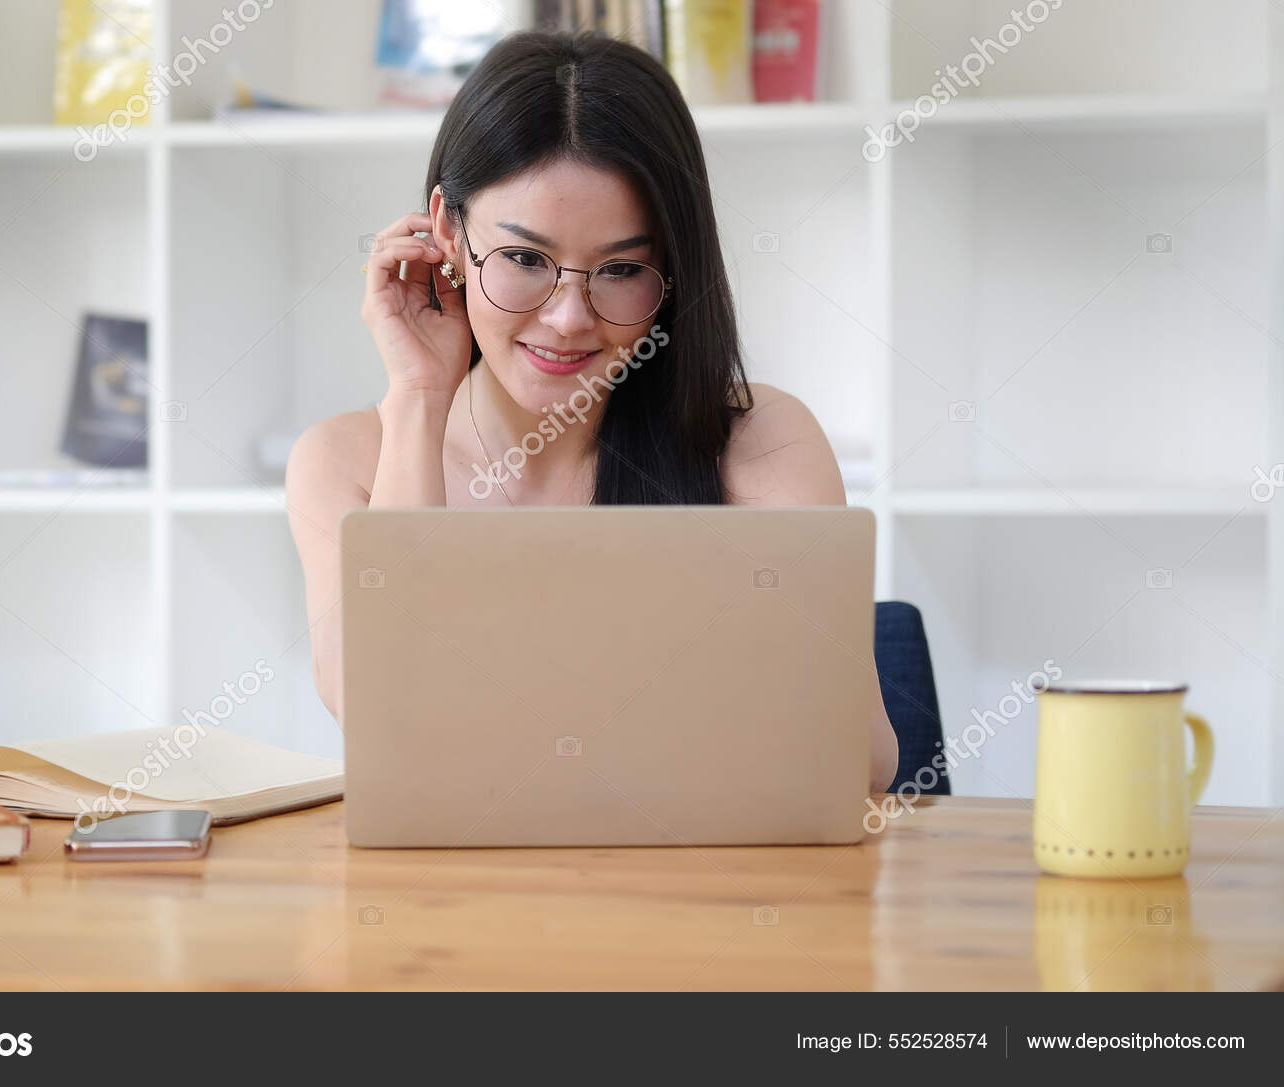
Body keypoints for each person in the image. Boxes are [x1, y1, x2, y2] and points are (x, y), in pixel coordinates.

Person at [287, 30, 899, 791]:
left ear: (673, 268)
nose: (570, 318)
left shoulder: (763, 444)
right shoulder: (343, 463)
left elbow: (862, 761)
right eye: (524, 260)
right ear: (446, 231)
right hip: (451, 900)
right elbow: (378, 723)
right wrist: (418, 397)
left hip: (700, 893)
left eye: (620, 269)